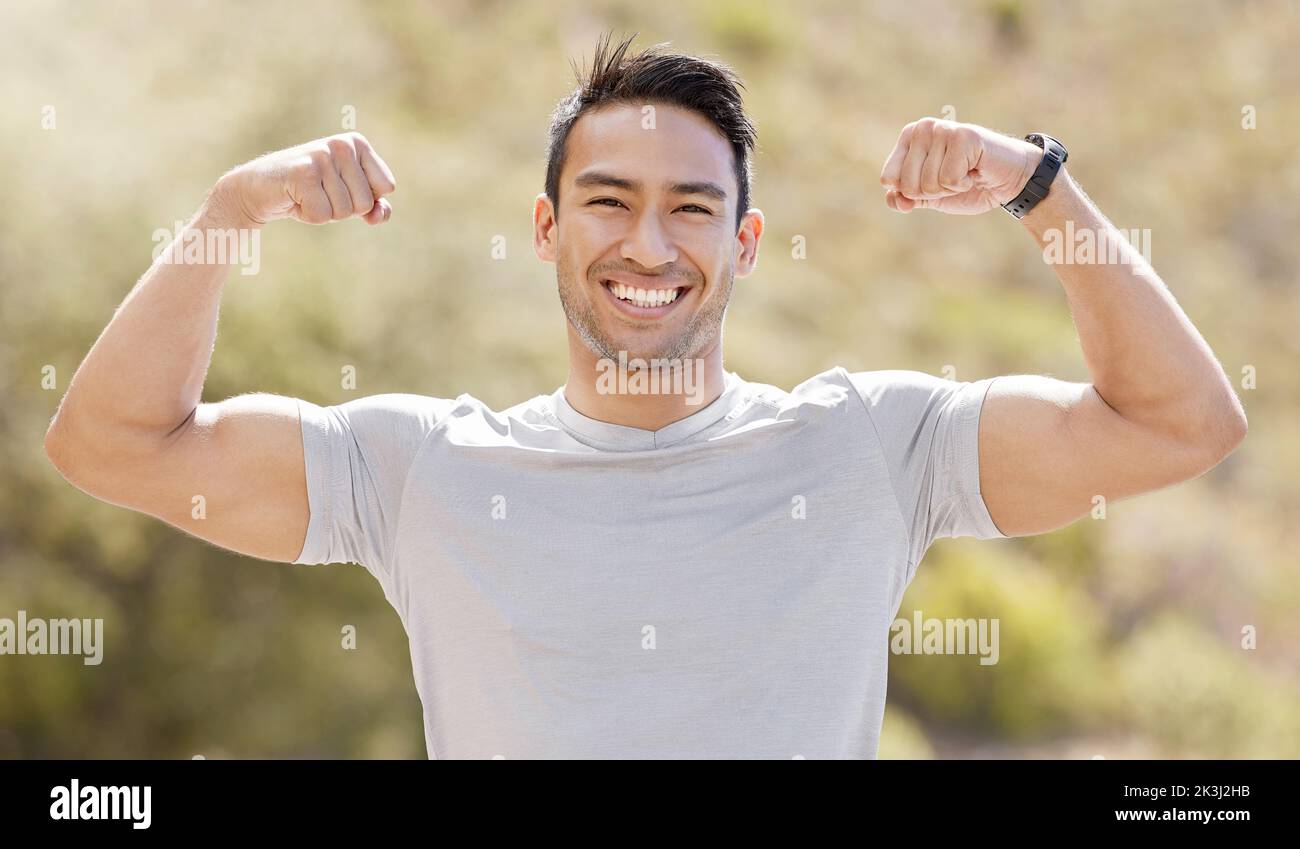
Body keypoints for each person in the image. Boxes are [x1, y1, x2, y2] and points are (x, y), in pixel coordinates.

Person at [44, 34, 1246, 758]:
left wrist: (1034, 184)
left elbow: (1178, 423)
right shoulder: (418, 470)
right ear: (546, 228)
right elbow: (113, 446)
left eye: (692, 208)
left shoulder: (877, 446)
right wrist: (229, 213)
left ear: (747, 242)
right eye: (609, 200)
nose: (649, 244)